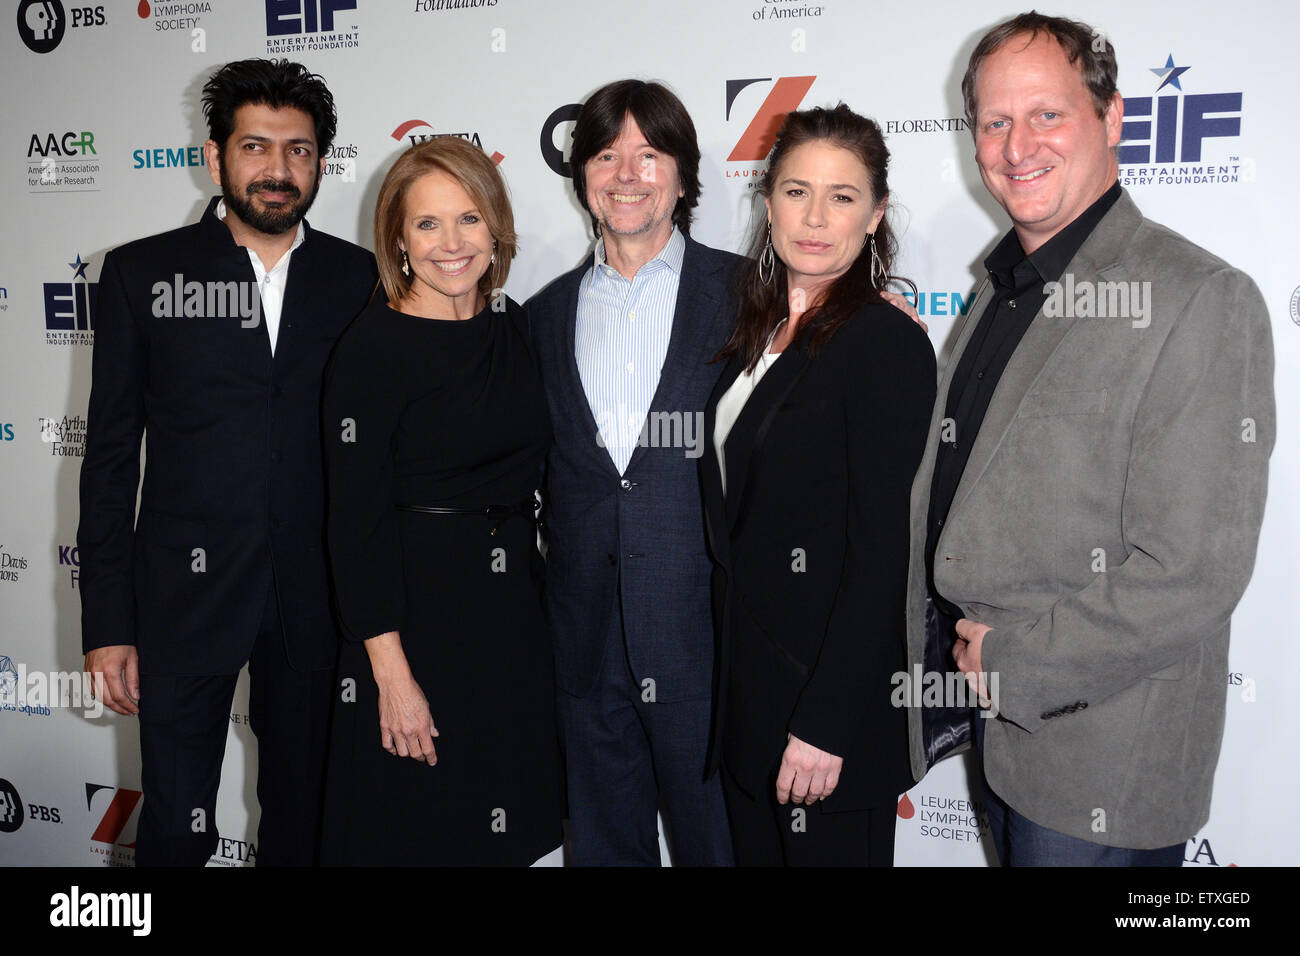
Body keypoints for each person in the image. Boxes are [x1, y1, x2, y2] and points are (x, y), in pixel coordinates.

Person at [903, 12, 1275, 865]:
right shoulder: (1002, 285)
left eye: (1047, 114)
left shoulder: (1200, 297)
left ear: (1111, 119)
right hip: (1000, 744)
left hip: (1103, 763)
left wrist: (1015, 663)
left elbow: (1193, 572)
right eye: (994, 121)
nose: (1016, 144)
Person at [77, 58, 377, 866]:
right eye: (256, 146)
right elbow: (109, 459)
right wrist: (107, 624)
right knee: (174, 825)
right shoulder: (143, 274)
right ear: (215, 158)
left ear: (320, 162)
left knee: (303, 821)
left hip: (317, 602)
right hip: (180, 603)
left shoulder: (360, 278)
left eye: (300, 150)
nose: (278, 170)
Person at [699, 105, 935, 866]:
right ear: (767, 204)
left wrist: (827, 720)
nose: (815, 217)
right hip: (750, 704)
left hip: (825, 720)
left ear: (876, 214)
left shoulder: (883, 341)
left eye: (842, 196)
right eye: (796, 192)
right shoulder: (760, 329)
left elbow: (884, 555)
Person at [318, 137, 564, 866]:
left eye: (468, 220)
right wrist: (391, 679)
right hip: (413, 626)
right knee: (416, 830)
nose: (451, 244)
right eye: (427, 224)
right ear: (397, 236)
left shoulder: (516, 329)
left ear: (496, 228)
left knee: (507, 832)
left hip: (514, 621)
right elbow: (353, 524)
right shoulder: (369, 350)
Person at [526, 79, 737, 865]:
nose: (627, 174)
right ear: (581, 174)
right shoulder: (542, 317)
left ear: (683, 175)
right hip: (583, 639)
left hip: (706, 638)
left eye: (650, 155)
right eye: (608, 155)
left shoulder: (751, 292)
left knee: (718, 845)